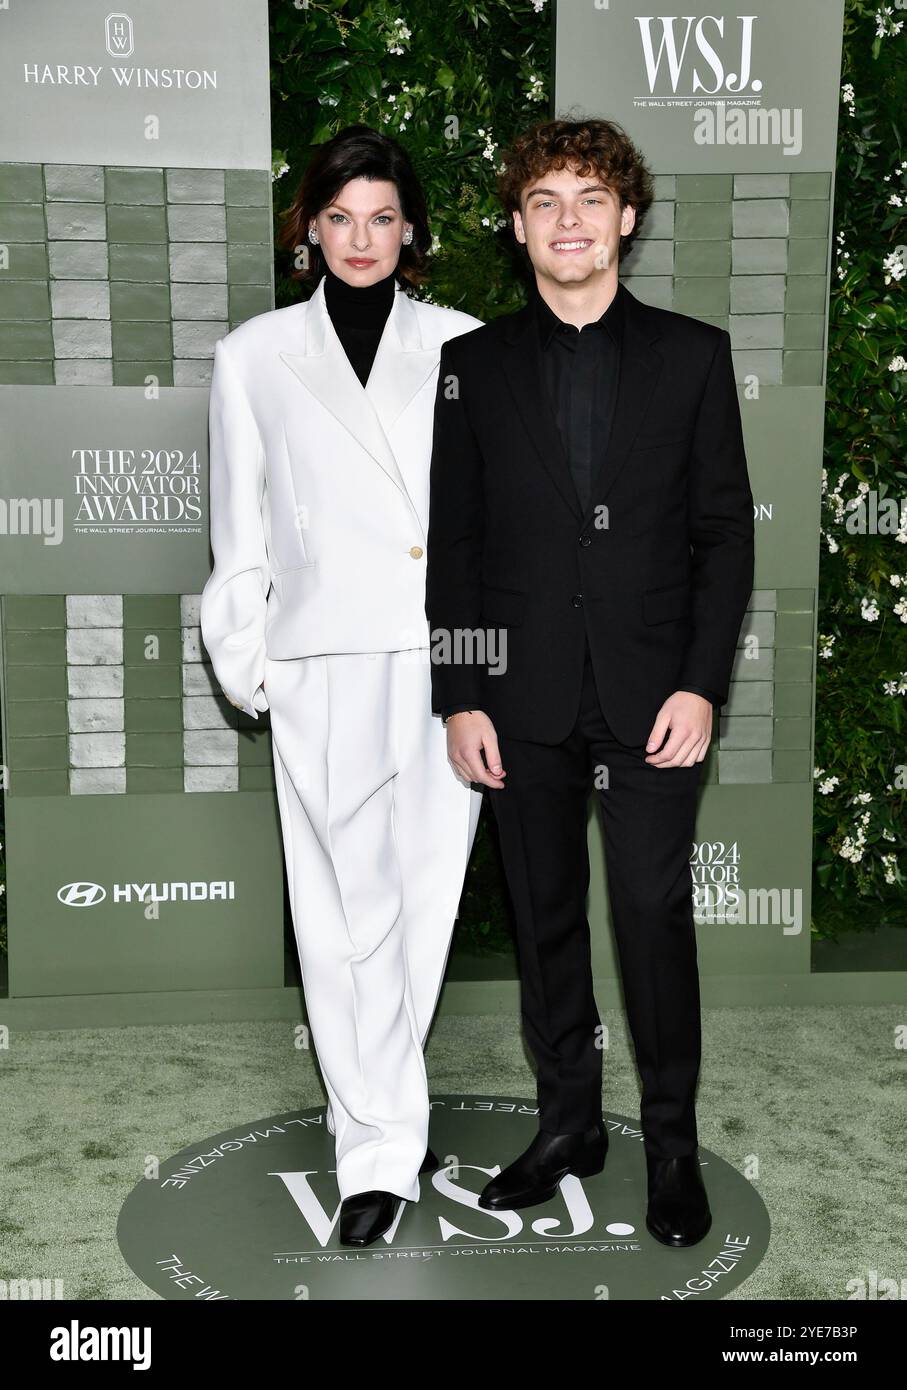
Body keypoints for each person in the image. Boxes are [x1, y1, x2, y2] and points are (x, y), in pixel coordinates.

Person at [425, 117, 755, 1248]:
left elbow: (724, 536)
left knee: (653, 917)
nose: (568, 220)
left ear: (626, 217)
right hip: (518, 699)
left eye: (589, 198)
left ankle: (670, 1143)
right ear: (517, 228)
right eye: (545, 201)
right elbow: (456, 543)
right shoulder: (471, 369)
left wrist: (700, 686)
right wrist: (461, 695)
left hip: (653, 696)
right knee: (545, 918)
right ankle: (568, 1122)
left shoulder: (692, 356)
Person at [200, 125, 483, 1249]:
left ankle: (379, 1116)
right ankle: (375, 1147)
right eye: (338, 217)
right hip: (319, 658)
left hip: (439, 658)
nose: (360, 239)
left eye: (382, 218)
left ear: (410, 231)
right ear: (309, 229)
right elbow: (239, 524)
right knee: (342, 916)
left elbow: (491, 519)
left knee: (422, 901)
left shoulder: (464, 343)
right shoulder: (254, 354)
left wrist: (489, 661)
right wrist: (252, 660)